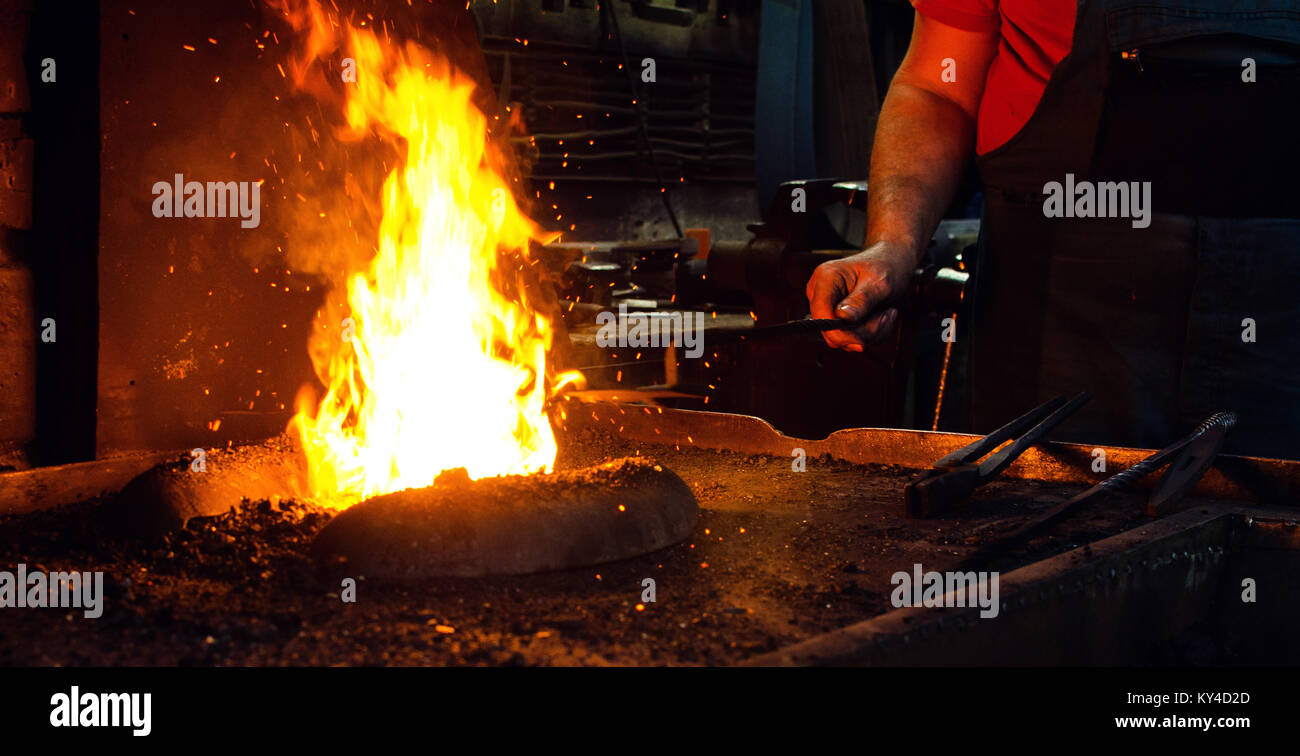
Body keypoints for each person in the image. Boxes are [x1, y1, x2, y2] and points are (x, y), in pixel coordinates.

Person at [806, 0, 1300, 459]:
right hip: (1060, 323)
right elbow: (940, 86)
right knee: (1054, 538)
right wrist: (892, 245)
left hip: (1279, 322)